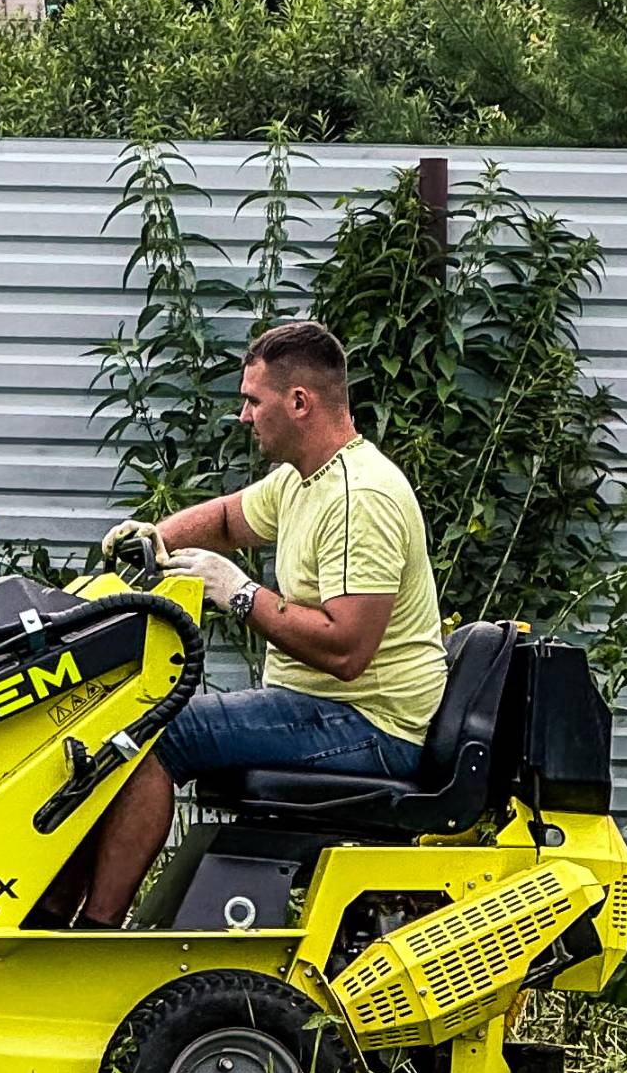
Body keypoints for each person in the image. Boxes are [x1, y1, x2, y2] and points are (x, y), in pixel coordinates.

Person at [77, 318, 445, 927]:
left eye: (252, 400)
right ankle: (62, 917)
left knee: (153, 736)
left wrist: (240, 593)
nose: (243, 416)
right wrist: (156, 536)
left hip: (373, 726)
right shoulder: (306, 480)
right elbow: (225, 519)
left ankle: (88, 936)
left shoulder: (363, 497)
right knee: (126, 722)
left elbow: (347, 651)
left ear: (298, 402)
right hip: (316, 706)